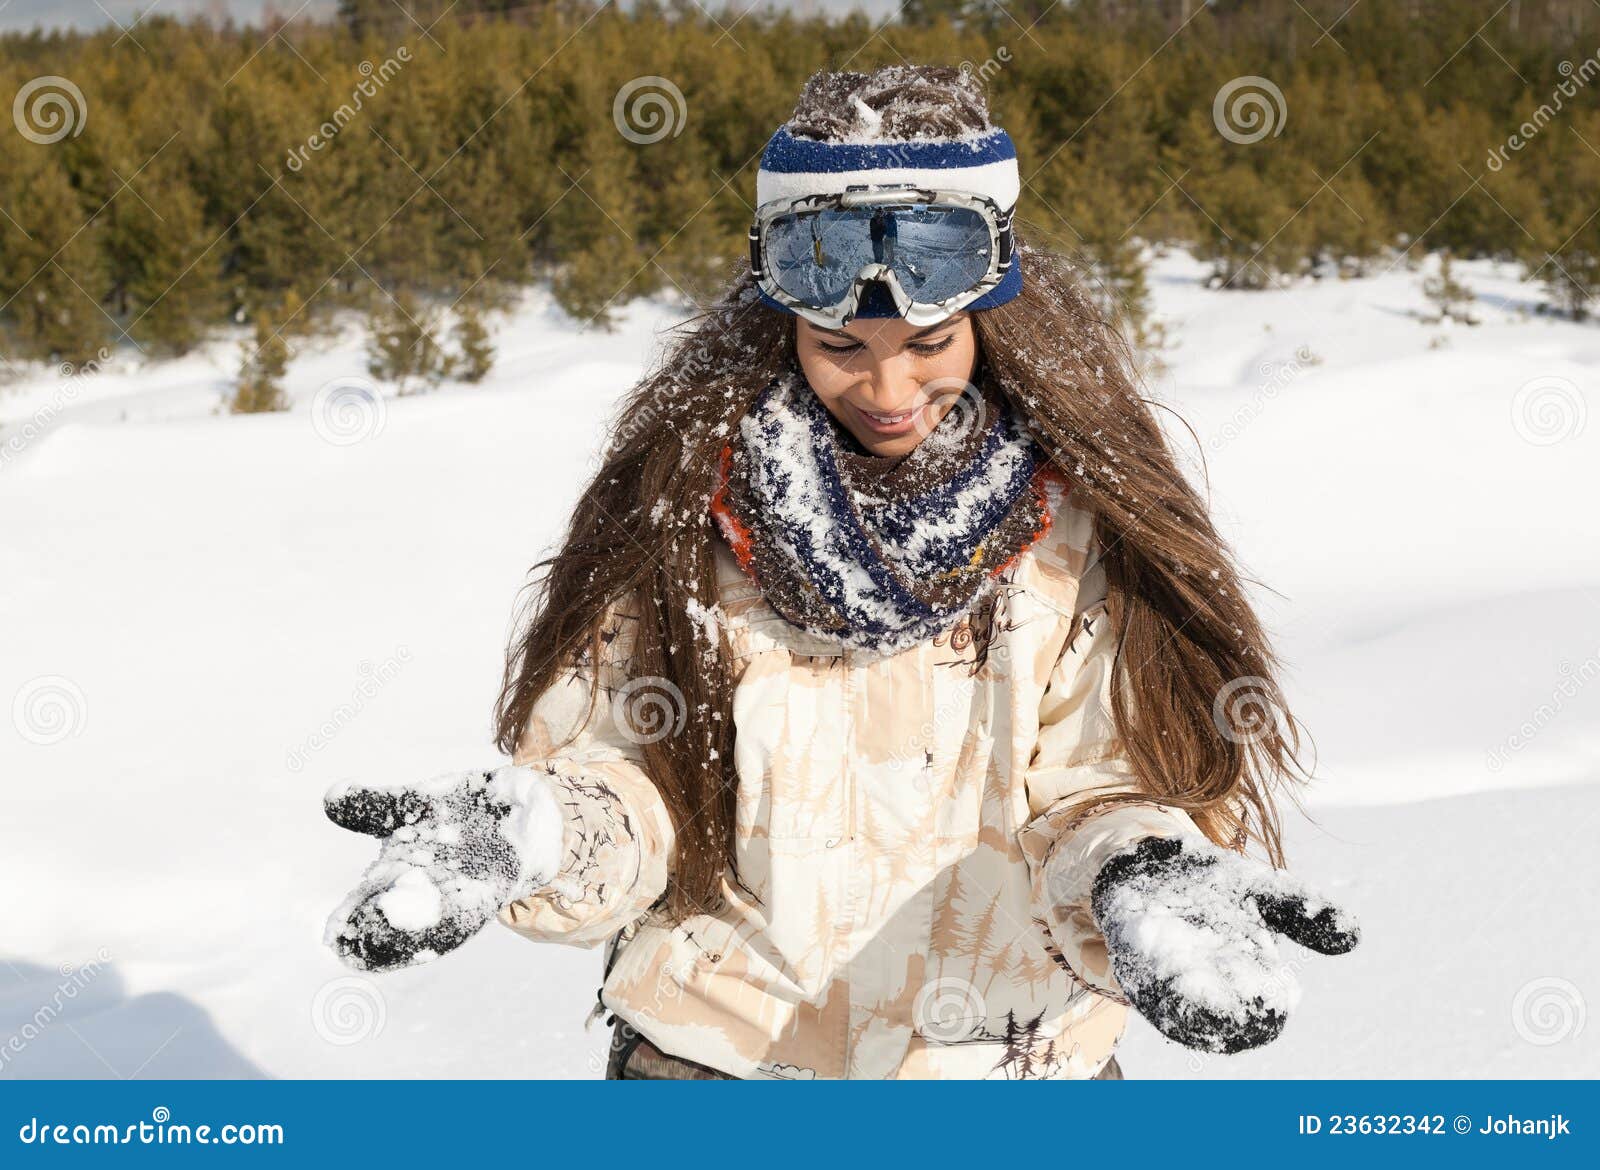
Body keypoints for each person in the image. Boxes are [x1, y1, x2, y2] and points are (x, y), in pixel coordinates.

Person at [322, 64, 1359, 1080]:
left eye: (930, 341)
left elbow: (1095, 788)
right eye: (837, 343)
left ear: (993, 318)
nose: (888, 385)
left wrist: (1139, 878)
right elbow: (633, 788)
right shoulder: (686, 514)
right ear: (784, 319)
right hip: (717, 1073)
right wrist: (539, 834)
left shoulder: (1071, 533)